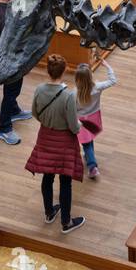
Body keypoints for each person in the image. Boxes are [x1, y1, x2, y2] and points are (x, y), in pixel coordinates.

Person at [24, 54, 85, 232]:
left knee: (47, 176)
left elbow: (35, 113)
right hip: (64, 142)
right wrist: (80, 125)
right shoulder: (68, 95)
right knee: (65, 181)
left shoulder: (39, 89)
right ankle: (66, 222)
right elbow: (74, 127)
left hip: (45, 137)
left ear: (48, 70)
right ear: (64, 71)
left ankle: (49, 212)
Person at [0, 0, 32, 145]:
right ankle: (4, 128)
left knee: (14, 89)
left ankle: (14, 111)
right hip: (8, 56)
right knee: (11, 91)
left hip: (9, 53)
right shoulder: (4, 14)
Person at [74, 54, 117, 178]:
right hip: (94, 117)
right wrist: (107, 66)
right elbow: (112, 80)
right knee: (88, 139)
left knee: (86, 143)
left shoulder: (74, 93)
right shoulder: (97, 87)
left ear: (77, 79)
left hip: (81, 120)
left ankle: (92, 166)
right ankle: (89, 157)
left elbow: (72, 109)